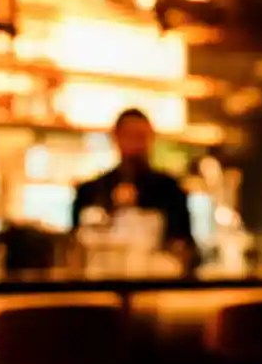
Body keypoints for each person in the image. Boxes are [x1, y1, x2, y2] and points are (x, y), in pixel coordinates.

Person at [72, 108, 197, 268]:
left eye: (141, 137)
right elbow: (74, 248)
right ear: (116, 137)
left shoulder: (170, 190)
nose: (136, 145)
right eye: (129, 136)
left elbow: (184, 246)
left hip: (155, 286)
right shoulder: (90, 191)